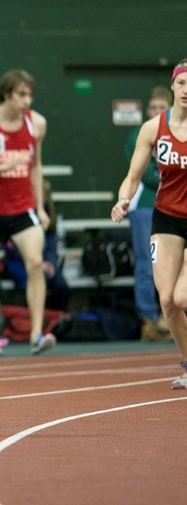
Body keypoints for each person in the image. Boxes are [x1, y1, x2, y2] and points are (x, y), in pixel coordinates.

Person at [0, 69, 55, 357]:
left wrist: (40, 207)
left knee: (34, 263)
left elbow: (37, 166)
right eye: (21, 95)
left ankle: (36, 334)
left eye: (30, 95)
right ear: (7, 94)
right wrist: (3, 167)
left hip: (23, 207)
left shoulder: (37, 124)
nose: (27, 101)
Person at [111, 60, 187, 390]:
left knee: (184, 297)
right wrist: (123, 199)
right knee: (168, 300)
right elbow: (132, 177)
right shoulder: (153, 128)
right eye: (183, 83)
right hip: (166, 217)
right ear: (172, 86)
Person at [125, 86, 173, 342]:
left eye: (161, 107)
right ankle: (148, 319)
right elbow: (143, 170)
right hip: (144, 206)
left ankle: (171, 317)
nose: (156, 112)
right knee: (146, 264)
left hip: (175, 207)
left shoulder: (178, 132)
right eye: (153, 107)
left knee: (174, 264)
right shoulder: (139, 134)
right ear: (147, 110)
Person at [1, 180, 70, 312]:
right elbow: (13, 247)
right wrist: (36, 261)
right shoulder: (17, 212)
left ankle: (54, 322)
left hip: (43, 261)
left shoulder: (47, 215)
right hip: (19, 261)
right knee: (31, 283)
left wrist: (49, 263)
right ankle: (27, 322)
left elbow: (51, 243)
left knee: (62, 287)